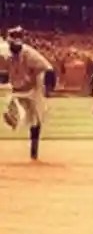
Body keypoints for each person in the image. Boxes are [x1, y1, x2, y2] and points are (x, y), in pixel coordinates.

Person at [4, 27, 55, 160]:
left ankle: (34, 150)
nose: (12, 45)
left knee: (36, 119)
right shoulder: (6, 52)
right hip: (17, 90)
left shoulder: (30, 54)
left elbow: (49, 69)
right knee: (9, 106)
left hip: (33, 89)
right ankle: (15, 117)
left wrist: (48, 89)